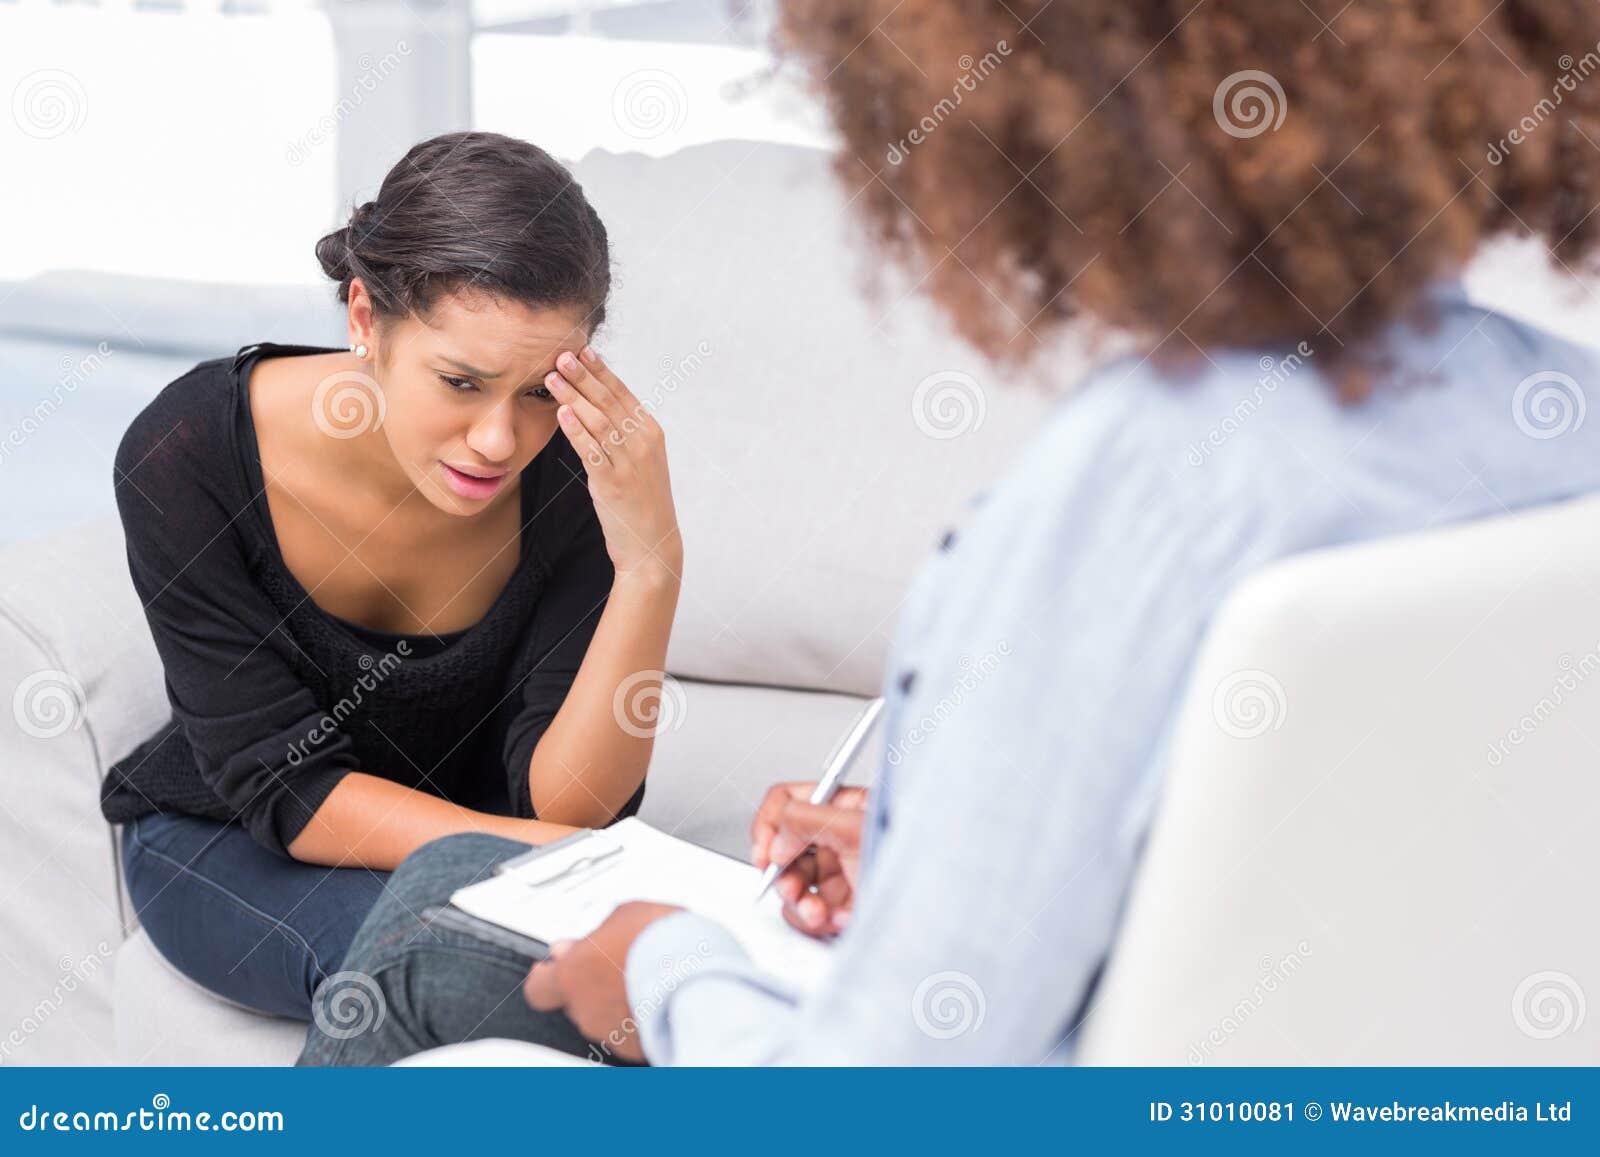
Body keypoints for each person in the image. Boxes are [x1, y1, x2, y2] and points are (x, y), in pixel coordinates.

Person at [299, 1, 1600, 1065]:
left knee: (420, 953)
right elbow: (1321, 857)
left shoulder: (1143, 480)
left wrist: (663, 963)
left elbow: (879, 1100)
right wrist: (946, 842)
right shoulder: (1559, 417)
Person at [102, 130, 682, 1025]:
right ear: (366, 320)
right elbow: (285, 786)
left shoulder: (572, 472)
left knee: (638, 997)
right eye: (459, 381)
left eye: (539, 391)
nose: (500, 440)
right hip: (235, 838)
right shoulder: (187, 454)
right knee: (433, 975)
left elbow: (571, 803)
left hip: (483, 832)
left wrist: (651, 564)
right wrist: (548, 856)